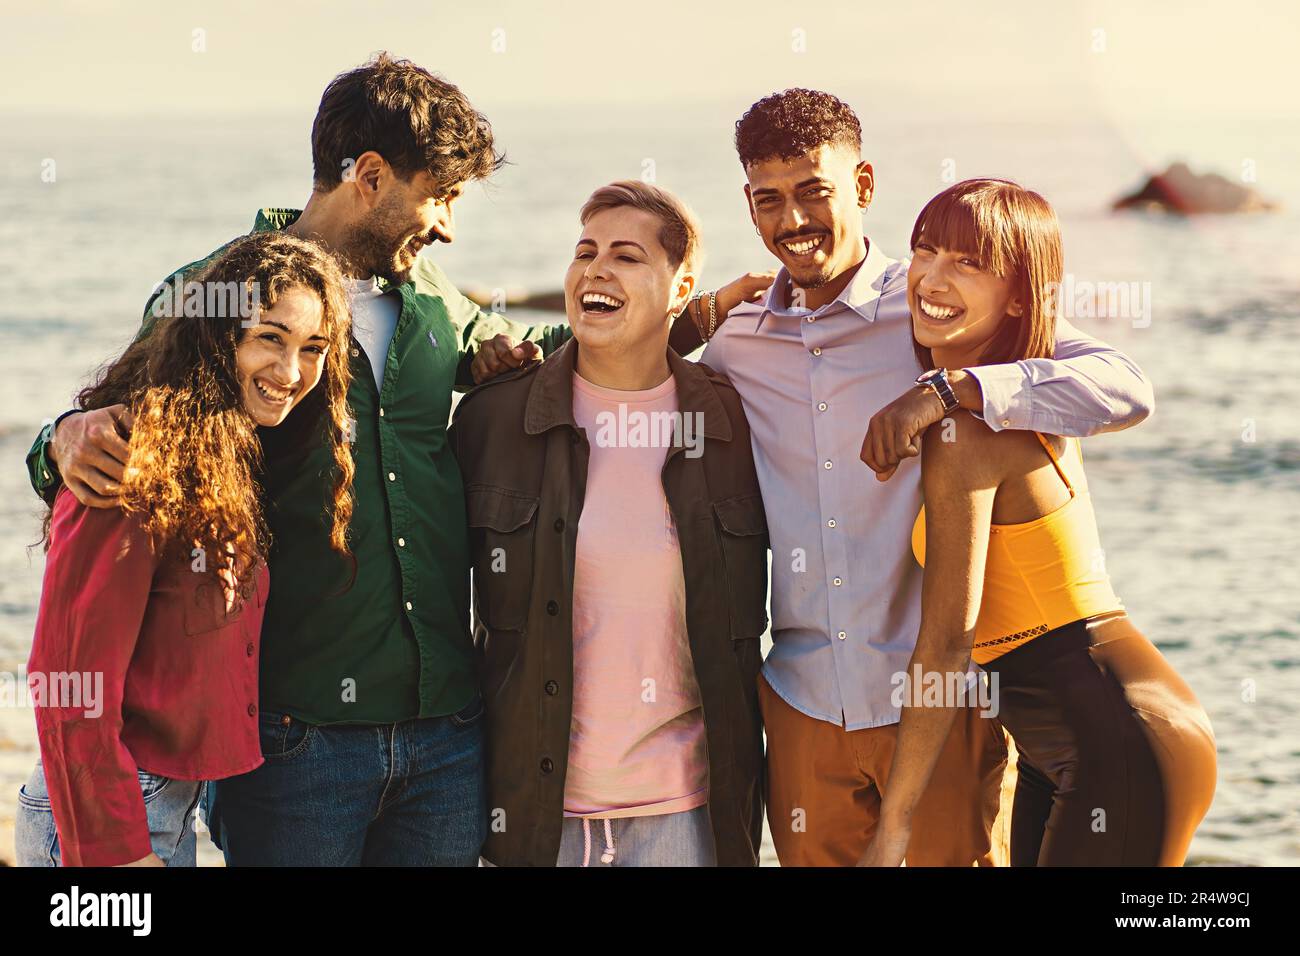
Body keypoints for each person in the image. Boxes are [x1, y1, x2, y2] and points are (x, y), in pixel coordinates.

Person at [23, 53, 776, 865]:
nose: (447, 223)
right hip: (295, 739)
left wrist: (691, 314)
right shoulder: (218, 294)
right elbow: (134, 432)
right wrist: (61, 434)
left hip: (446, 738)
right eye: (440, 196)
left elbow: (563, 355)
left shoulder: (436, 302)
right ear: (371, 177)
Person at [668, 89, 1158, 866]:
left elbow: (1123, 386)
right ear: (749, 205)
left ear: (862, 186)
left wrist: (953, 389)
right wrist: (693, 314)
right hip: (799, 704)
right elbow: (621, 361)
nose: (793, 221)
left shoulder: (936, 311)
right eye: (770, 201)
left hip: (942, 702)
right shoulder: (736, 341)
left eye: (814, 193)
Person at [860, 179, 1216, 867]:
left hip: (1116, 740)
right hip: (1073, 744)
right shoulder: (1022, 393)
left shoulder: (970, 427)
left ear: (1021, 295)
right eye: (925, 251)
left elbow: (945, 645)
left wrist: (894, 827)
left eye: (968, 262)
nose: (932, 277)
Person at [450, 181, 767, 867]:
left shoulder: (732, 424)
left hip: (686, 815)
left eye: (626, 256)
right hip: (535, 817)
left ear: (682, 288)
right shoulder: (492, 420)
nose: (595, 269)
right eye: (585, 251)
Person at [16, 232, 353, 866]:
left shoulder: (228, 451)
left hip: (168, 807)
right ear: (218, 337)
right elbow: (67, 681)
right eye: (270, 338)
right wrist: (115, 856)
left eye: (313, 348)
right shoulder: (132, 455)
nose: (290, 373)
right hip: (105, 820)